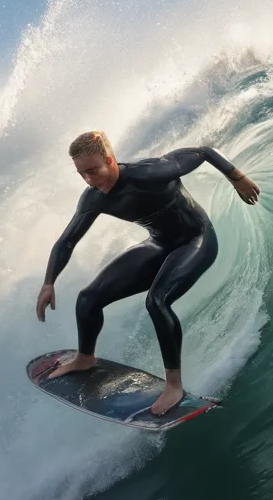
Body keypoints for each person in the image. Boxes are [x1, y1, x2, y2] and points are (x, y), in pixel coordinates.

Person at [36, 130, 260, 415]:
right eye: (81, 174)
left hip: (196, 240)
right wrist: (48, 283)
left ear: (109, 159)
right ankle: (85, 358)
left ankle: (174, 386)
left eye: (93, 170)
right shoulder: (94, 198)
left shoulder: (151, 173)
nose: (89, 180)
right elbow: (67, 240)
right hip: (159, 243)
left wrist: (238, 179)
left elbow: (203, 153)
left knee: (157, 301)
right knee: (89, 298)